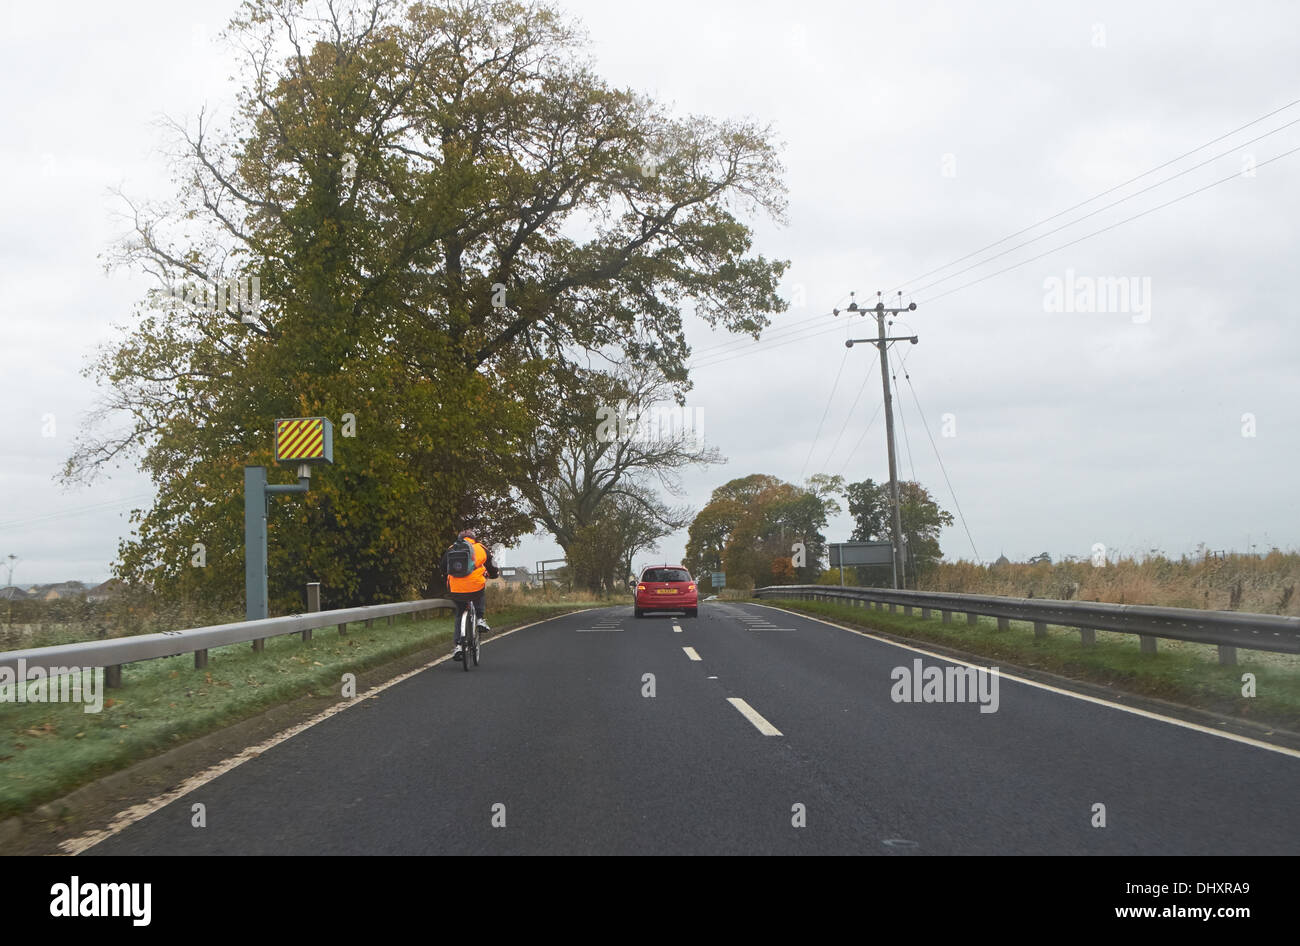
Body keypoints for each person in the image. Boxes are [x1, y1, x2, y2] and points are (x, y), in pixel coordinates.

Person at [443, 528, 499, 660]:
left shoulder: (451, 548)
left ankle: (458, 646)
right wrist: (494, 574)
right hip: (474, 588)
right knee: (479, 589)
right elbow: (491, 566)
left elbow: (442, 566)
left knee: (460, 613)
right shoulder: (480, 548)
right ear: (474, 539)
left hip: (456, 589)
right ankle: (479, 618)